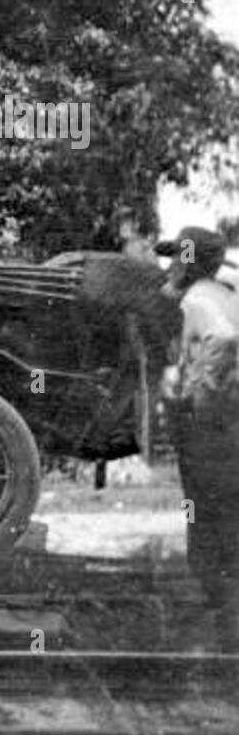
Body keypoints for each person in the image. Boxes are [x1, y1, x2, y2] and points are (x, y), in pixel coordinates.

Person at [156, 226, 239, 652]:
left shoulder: (199, 300)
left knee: (210, 514)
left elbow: (224, 339)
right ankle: (221, 612)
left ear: (188, 263)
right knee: (214, 515)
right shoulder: (221, 294)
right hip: (220, 427)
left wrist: (197, 398)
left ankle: (227, 622)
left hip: (213, 431)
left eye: (175, 259)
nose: (169, 265)